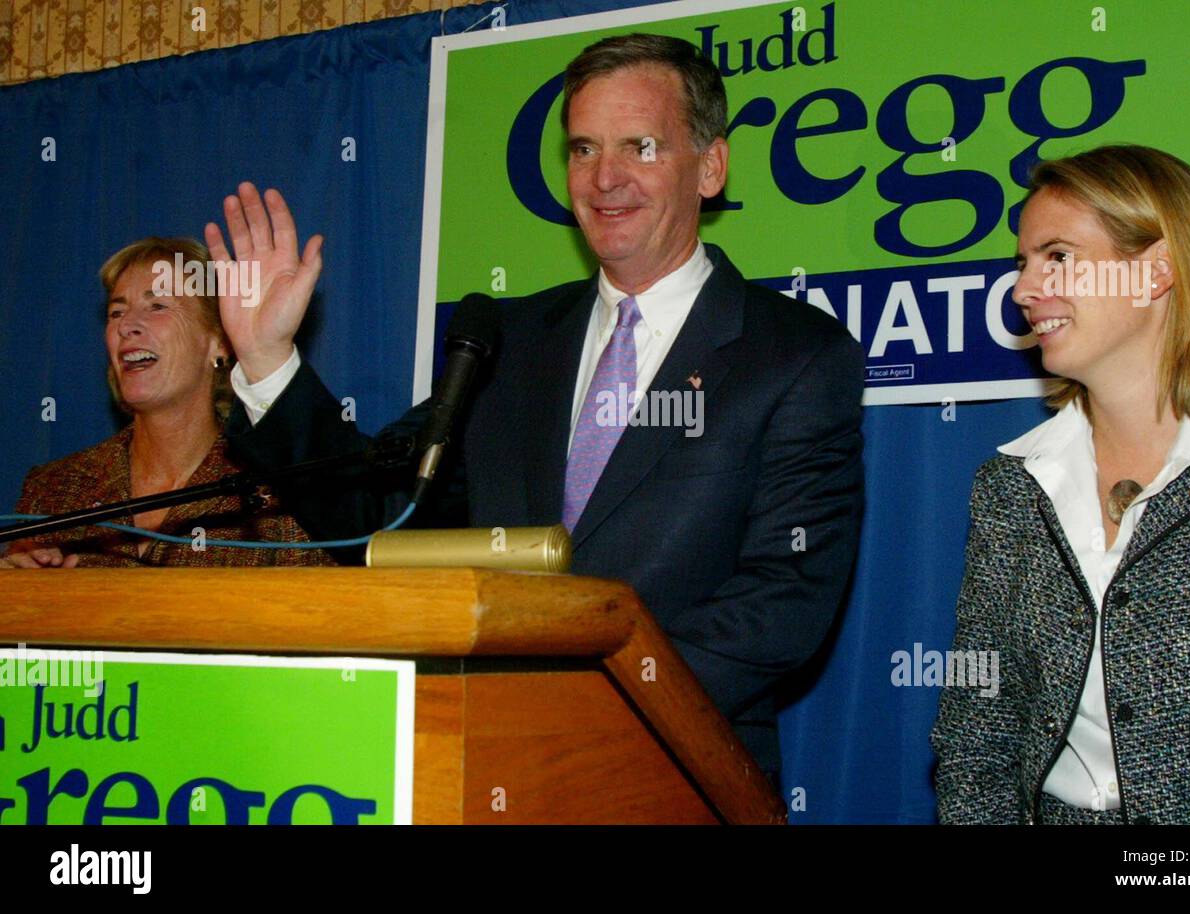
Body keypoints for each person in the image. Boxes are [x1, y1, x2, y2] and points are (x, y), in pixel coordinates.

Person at [205, 34, 864, 777]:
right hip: (487, 764)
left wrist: (582, 711)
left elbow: (784, 602)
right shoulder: (510, 342)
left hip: (672, 773)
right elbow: (382, 521)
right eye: (583, 149)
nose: (604, 178)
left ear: (711, 166)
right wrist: (267, 360)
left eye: (639, 146)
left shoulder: (795, 355)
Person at [931, 144, 1190, 824]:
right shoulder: (1009, 487)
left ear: (1155, 273)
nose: (1021, 290)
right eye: (1023, 264)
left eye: (1057, 256)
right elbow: (971, 726)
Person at [1, 238, 334, 569]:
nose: (126, 326)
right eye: (116, 311)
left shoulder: (280, 494)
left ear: (219, 341)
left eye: (157, 305)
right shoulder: (55, 490)